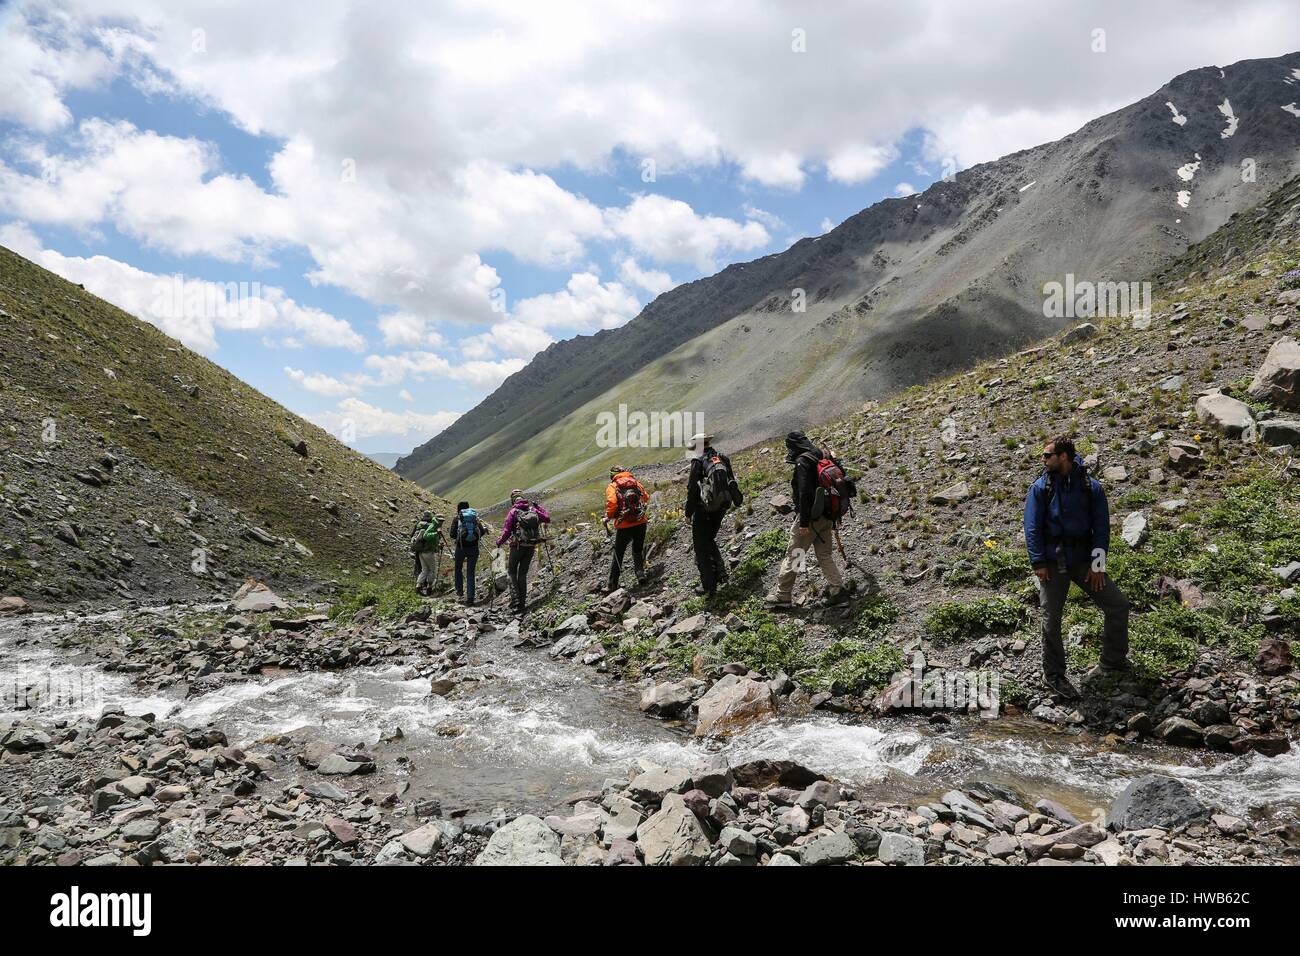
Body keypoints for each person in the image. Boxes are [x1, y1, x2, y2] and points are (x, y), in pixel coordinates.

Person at [1024, 435, 1130, 700]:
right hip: (1052, 562)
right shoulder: (1040, 487)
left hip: (1084, 561)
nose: (1043, 459)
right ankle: (1054, 675)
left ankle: (1112, 661)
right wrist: (1038, 562)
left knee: (1117, 604)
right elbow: (1032, 527)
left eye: (1047, 455)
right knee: (1051, 618)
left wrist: (1097, 565)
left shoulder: (1090, 487)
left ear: (1063, 457)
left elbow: (1101, 528)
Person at [765, 431, 849, 608]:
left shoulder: (803, 461)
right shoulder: (822, 454)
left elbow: (804, 493)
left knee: (795, 554)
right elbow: (842, 474)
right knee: (824, 554)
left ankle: (783, 596)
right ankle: (838, 590)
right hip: (827, 515)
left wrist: (803, 523)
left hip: (811, 518)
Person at [684, 432, 743, 597]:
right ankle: (721, 572)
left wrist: (688, 512)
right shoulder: (722, 457)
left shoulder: (698, 461)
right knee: (709, 539)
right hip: (722, 507)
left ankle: (708, 586)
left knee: (700, 547)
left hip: (704, 510)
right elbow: (732, 481)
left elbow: (693, 489)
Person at [496, 490, 550, 614]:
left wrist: (499, 542)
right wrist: (538, 507)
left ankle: (515, 600)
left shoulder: (513, 512)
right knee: (522, 574)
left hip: (517, 546)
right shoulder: (532, 510)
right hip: (531, 546)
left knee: (511, 572)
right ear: (523, 498)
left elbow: (507, 531)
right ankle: (522, 604)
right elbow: (547, 518)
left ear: (513, 501)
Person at [604, 465, 649, 592]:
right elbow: (645, 497)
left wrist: (607, 517)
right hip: (640, 521)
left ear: (612, 475)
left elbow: (612, 503)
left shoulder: (612, 486)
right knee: (637, 549)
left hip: (624, 524)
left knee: (619, 553)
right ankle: (640, 574)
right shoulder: (636, 483)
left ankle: (612, 584)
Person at [449, 501, 490, 606]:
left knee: (458, 567)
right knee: (470, 572)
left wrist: (461, 536)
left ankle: (459, 590)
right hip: (474, 548)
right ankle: (470, 598)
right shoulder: (474, 518)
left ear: (459, 509)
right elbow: (481, 531)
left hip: (461, 548)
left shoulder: (457, 518)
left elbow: (452, 534)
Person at [410, 511, 444, 596]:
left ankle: (418, 586)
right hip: (428, 551)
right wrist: (436, 534)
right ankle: (429, 587)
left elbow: (412, 535)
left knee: (424, 569)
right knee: (432, 570)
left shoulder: (419, 524)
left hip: (420, 551)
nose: (442, 522)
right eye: (441, 520)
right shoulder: (433, 526)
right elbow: (426, 536)